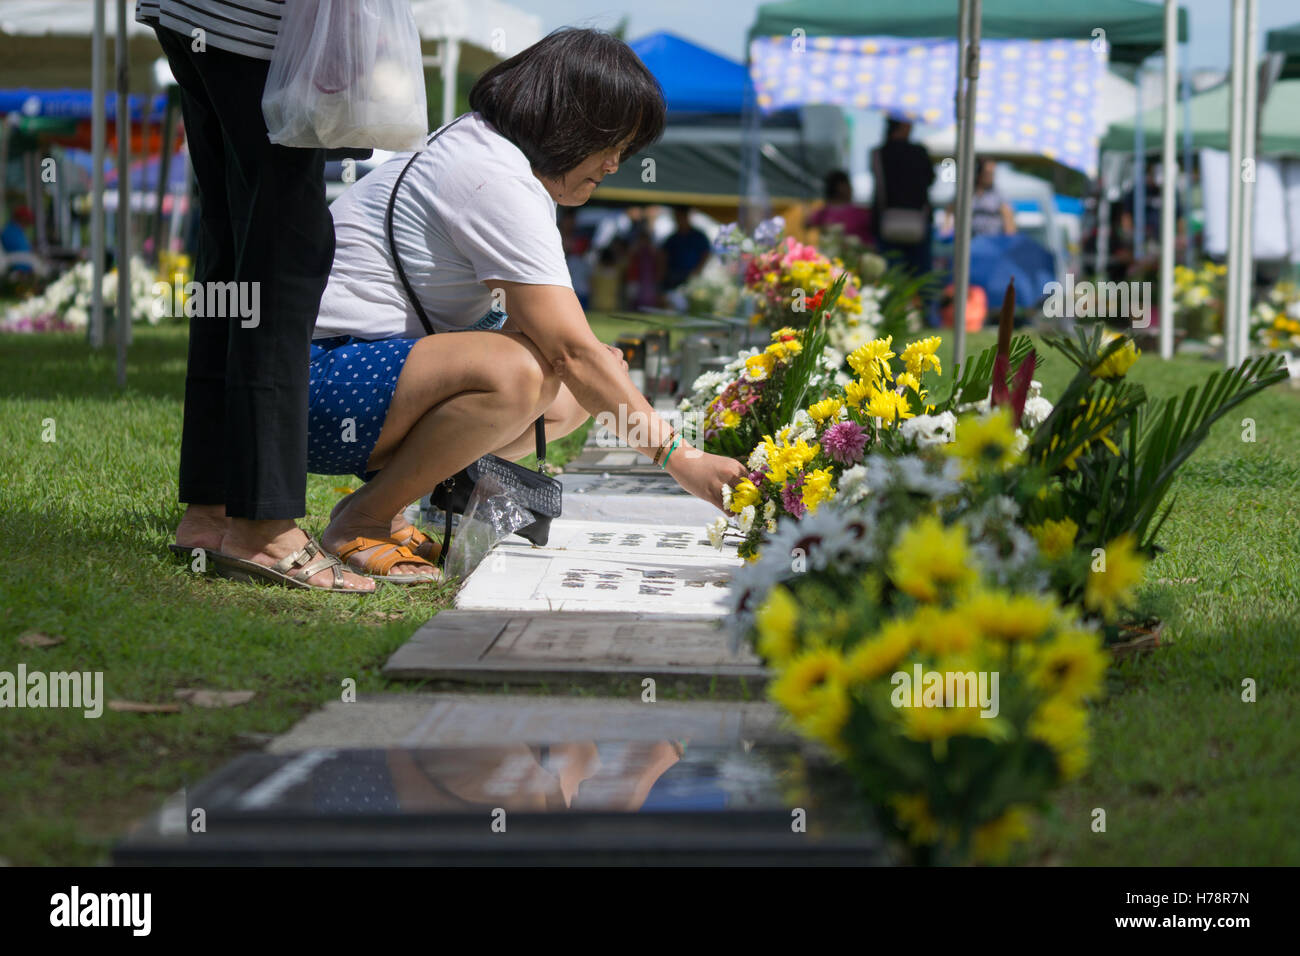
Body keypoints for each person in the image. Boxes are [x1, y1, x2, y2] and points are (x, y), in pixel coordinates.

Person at [307, 28, 748, 582]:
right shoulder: (493, 176)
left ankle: (389, 506)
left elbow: (575, 357)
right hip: (315, 387)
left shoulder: (494, 156)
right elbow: (569, 352)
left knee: (576, 390)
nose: (615, 164)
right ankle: (361, 521)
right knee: (523, 373)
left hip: (349, 380)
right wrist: (685, 463)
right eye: (612, 143)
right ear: (567, 122)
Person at [138, 0, 372, 591]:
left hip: (195, 15)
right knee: (282, 255)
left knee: (234, 253)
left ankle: (212, 509)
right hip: (259, 28)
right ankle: (263, 527)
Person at [872, 117, 937, 320]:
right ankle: (928, 317)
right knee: (923, 273)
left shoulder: (879, 153)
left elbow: (879, 187)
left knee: (890, 275)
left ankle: (890, 315)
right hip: (917, 220)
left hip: (888, 221)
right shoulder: (919, 151)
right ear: (904, 125)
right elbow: (930, 180)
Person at [806, 170, 873, 246]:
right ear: (840, 187)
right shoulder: (861, 214)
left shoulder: (821, 214)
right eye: (848, 185)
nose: (851, 188)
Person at [660, 206, 711, 291]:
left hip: (691, 276)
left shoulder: (698, 236)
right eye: (677, 217)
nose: (679, 220)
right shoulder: (672, 238)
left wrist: (697, 270)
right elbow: (663, 257)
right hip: (673, 276)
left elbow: (706, 253)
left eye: (681, 217)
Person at [969, 157, 1016, 237]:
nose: (991, 176)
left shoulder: (999, 194)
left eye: (992, 173)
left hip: (993, 242)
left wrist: (1010, 240)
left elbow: (1008, 219)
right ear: (979, 173)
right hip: (971, 241)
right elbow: (951, 210)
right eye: (988, 173)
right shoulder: (968, 193)